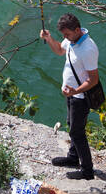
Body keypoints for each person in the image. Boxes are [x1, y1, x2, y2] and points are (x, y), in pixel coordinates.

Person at [40, 13, 101, 180]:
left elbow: (93, 79)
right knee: (71, 125)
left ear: (77, 29)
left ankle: (87, 171)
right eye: (63, 35)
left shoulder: (88, 49)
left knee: (77, 132)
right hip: (71, 94)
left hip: (80, 97)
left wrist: (75, 91)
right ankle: (73, 158)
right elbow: (60, 50)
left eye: (67, 34)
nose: (65, 38)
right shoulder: (72, 40)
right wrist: (50, 38)